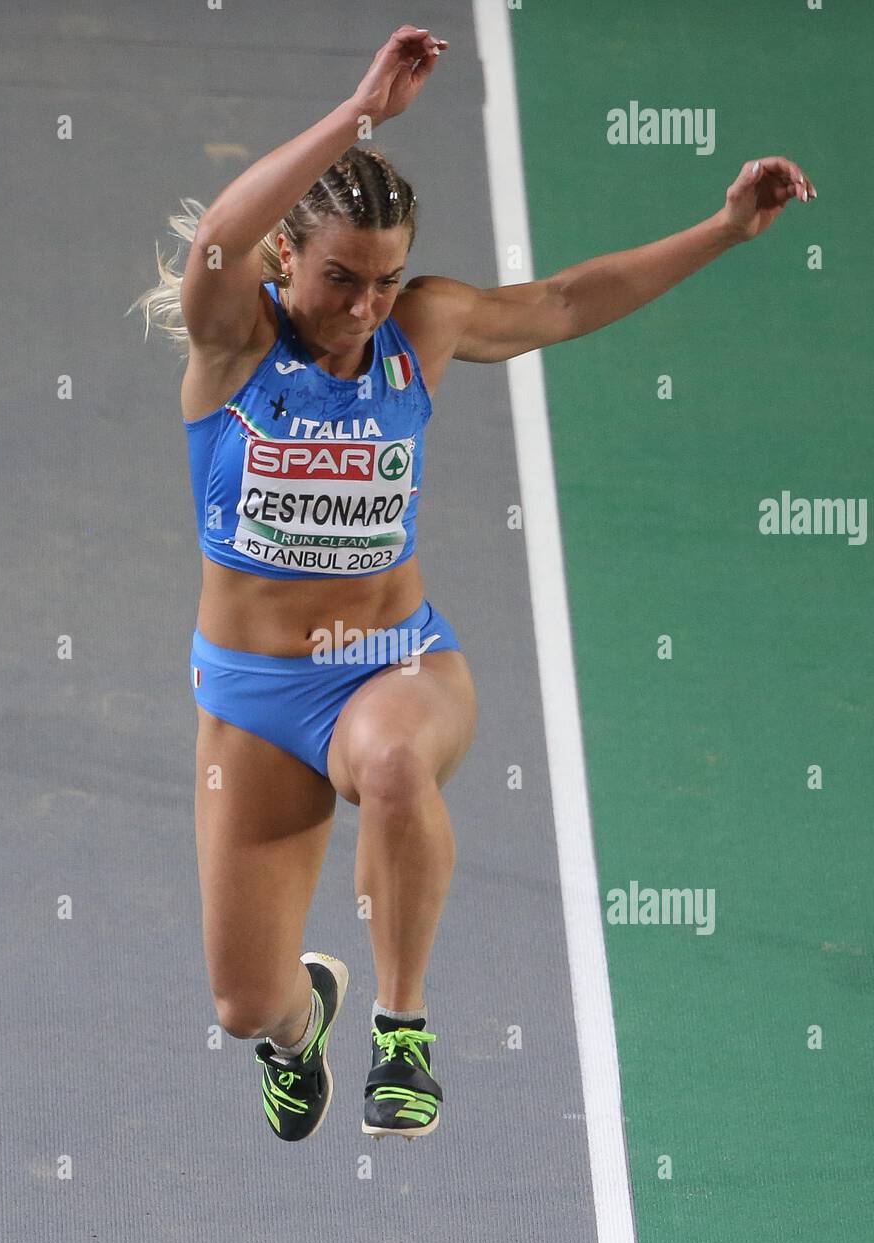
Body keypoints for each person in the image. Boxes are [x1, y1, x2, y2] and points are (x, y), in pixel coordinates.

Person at [129, 25, 816, 1144]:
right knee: (244, 1002)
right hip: (250, 693)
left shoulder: (422, 329)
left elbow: (561, 302)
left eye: (383, 278)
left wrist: (725, 230)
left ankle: (402, 1034)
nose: (363, 307)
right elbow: (214, 239)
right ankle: (308, 1025)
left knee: (397, 765)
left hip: (391, 664)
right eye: (339, 278)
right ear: (284, 264)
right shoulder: (232, 346)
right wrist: (361, 111)